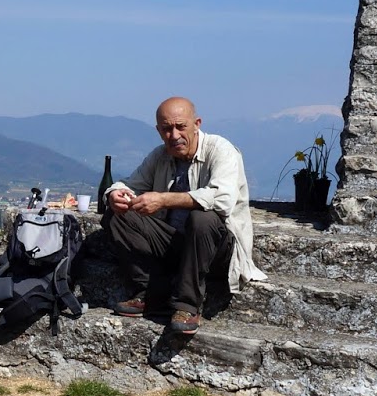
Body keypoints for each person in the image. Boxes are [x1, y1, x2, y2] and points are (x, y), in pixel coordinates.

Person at [102, 97, 267, 335]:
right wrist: (114, 194)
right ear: (159, 131)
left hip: (214, 249)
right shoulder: (160, 156)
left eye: (181, 126)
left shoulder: (221, 150)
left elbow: (222, 200)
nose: (174, 135)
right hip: (174, 242)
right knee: (117, 215)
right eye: (167, 129)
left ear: (197, 123)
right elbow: (130, 184)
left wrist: (163, 199)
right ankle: (151, 293)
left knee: (202, 217)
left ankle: (187, 306)